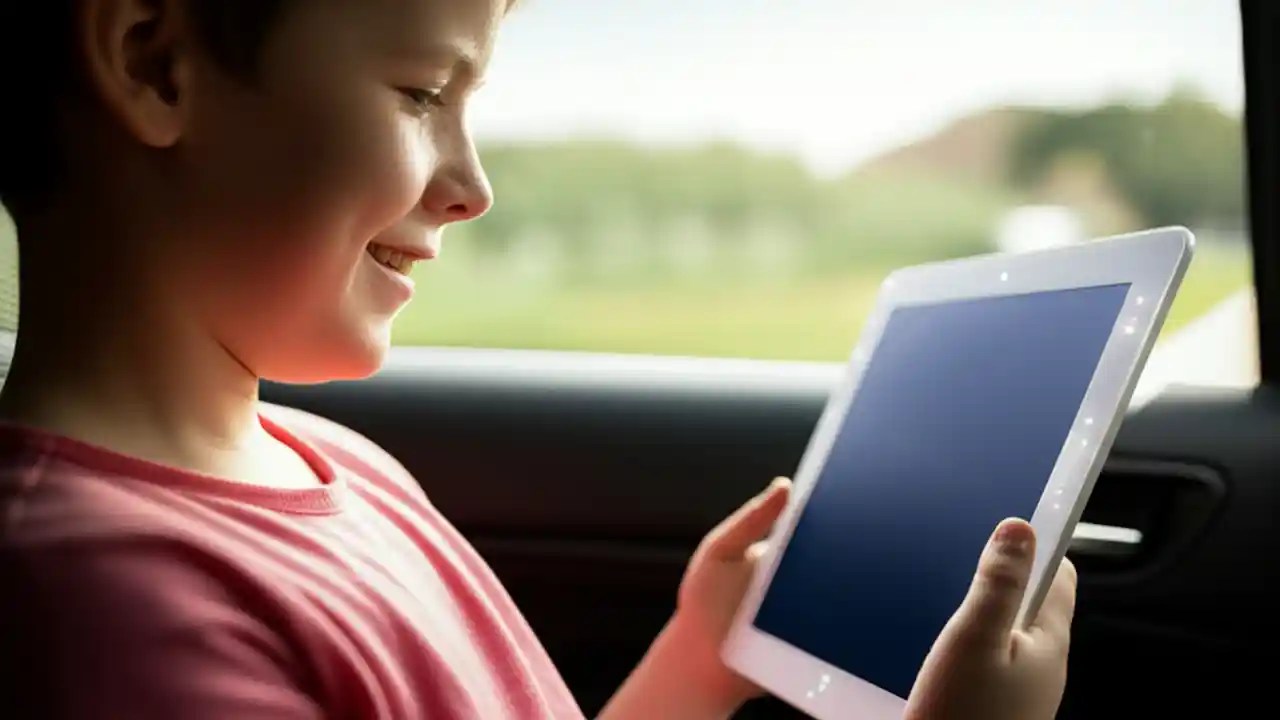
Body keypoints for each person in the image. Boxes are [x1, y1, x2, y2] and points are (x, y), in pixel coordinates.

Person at [0, 1, 1076, 718]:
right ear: (153, 63)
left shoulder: (342, 464)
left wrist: (696, 664)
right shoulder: (99, 602)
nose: (472, 188)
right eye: (422, 93)